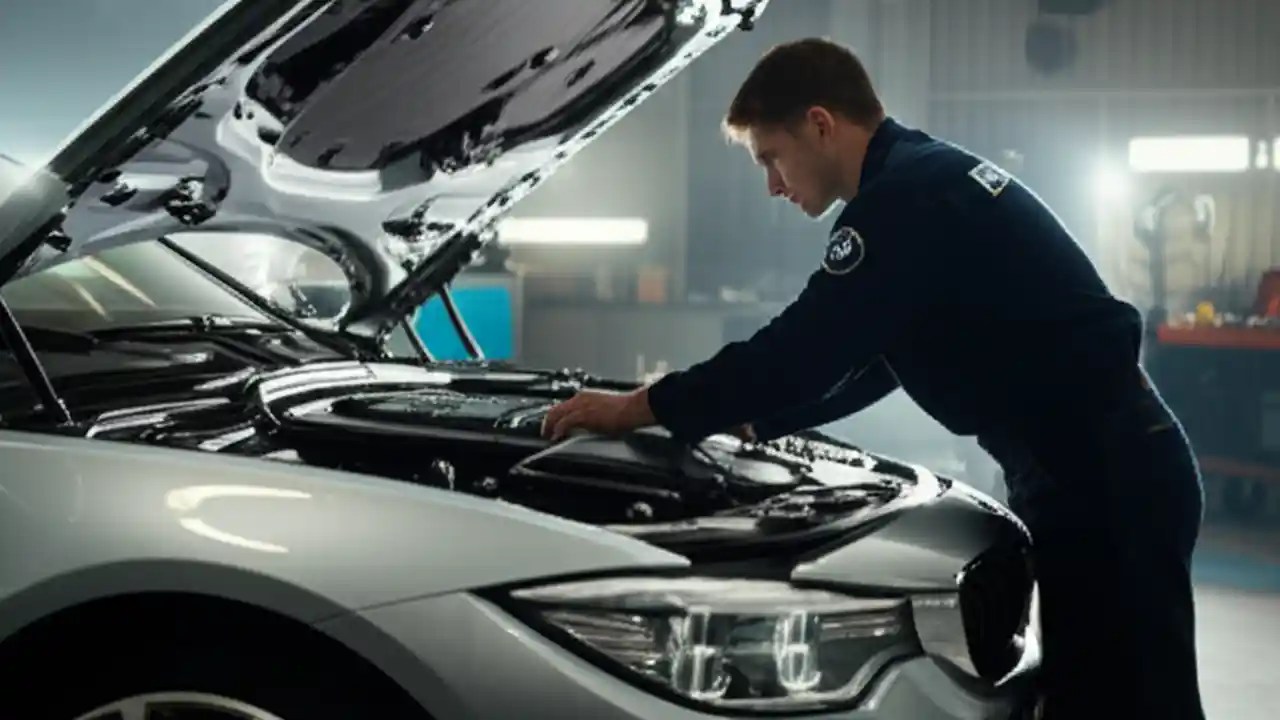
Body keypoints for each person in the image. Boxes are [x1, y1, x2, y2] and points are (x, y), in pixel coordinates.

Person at [540, 37, 1205, 719]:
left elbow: (803, 349)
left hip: (1106, 479)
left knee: (1133, 705)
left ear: (821, 125)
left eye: (772, 157)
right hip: (1109, 466)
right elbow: (876, 357)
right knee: (1103, 698)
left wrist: (642, 405)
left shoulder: (900, 203)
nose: (771, 184)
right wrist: (760, 421)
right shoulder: (925, 179)